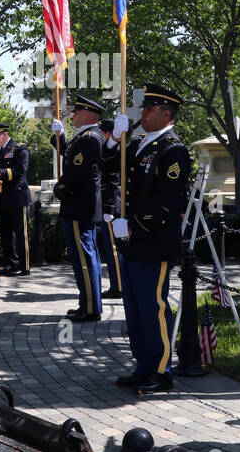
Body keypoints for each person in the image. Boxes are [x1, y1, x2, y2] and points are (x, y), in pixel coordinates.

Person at [107, 83, 192, 395]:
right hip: (133, 241)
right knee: (135, 308)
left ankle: (161, 370)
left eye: (149, 108)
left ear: (166, 113)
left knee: (153, 307)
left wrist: (134, 225)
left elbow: (167, 201)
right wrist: (115, 139)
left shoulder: (173, 150)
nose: (141, 113)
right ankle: (143, 365)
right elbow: (110, 167)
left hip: (153, 241)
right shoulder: (140, 143)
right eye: (143, 108)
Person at [50, 95, 106, 322]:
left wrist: (60, 187)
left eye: (76, 112)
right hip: (81, 206)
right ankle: (88, 303)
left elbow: (76, 171)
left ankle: (91, 308)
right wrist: (60, 137)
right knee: (85, 256)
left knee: (84, 258)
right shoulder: (85, 137)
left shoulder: (89, 138)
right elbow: (69, 154)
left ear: (88, 114)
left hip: (78, 205)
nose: (72, 115)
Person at [0, 122, 31, 276]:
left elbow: (20, 170)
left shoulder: (19, 148)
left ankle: (25, 267)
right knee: (6, 233)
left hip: (17, 197)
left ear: (4, 134)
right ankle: (11, 264)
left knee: (20, 233)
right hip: (2, 198)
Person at [97, 118, 123, 299]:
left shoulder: (116, 152)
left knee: (114, 250)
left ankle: (119, 287)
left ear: (107, 134)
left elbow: (113, 182)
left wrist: (110, 209)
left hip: (111, 208)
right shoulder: (110, 151)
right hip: (108, 207)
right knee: (111, 248)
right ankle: (117, 284)